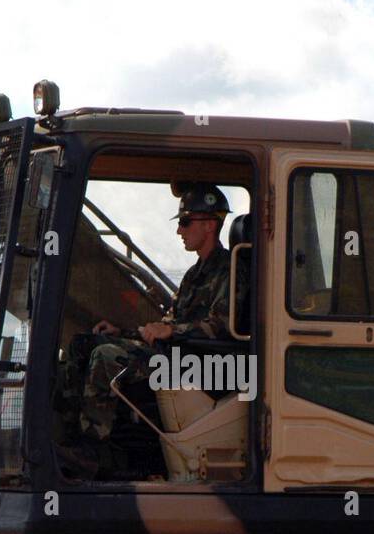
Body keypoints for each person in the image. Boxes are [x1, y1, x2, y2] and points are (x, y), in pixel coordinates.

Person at [56, 183, 242, 478]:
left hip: (204, 363)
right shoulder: (195, 274)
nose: (179, 231)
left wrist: (172, 332)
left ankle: (93, 451)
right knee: (83, 343)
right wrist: (124, 332)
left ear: (209, 225)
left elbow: (222, 326)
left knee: (106, 357)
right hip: (176, 352)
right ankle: (66, 436)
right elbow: (166, 324)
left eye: (185, 222)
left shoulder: (232, 270)